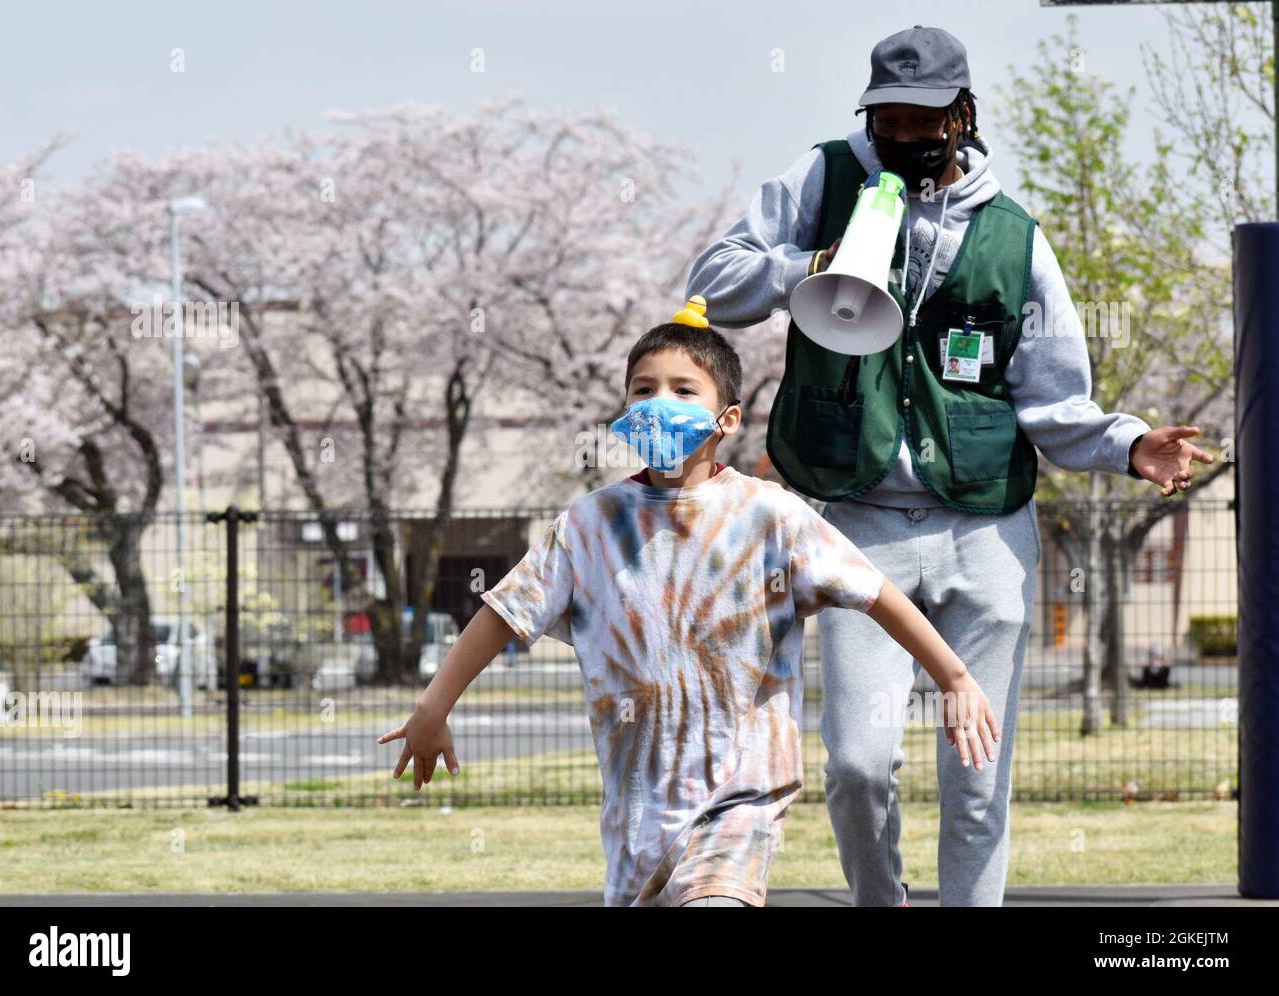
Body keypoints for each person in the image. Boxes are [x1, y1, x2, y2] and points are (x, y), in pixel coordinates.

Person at [685, 24, 1214, 906]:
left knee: (977, 779)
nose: (902, 138)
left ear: (963, 115)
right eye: (884, 121)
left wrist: (1129, 445)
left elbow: (1053, 403)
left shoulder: (1015, 237)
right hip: (858, 526)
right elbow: (712, 284)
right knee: (857, 765)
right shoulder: (823, 176)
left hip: (983, 526)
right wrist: (812, 265)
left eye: (920, 121)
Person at [379, 295, 1002, 907]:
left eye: (683, 390)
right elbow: (504, 616)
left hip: (743, 797)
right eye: (643, 390)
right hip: (637, 816)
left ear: (726, 419)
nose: (659, 404)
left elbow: (876, 593)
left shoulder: (771, 517)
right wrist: (434, 707)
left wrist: (952, 675)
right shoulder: (588, 527)